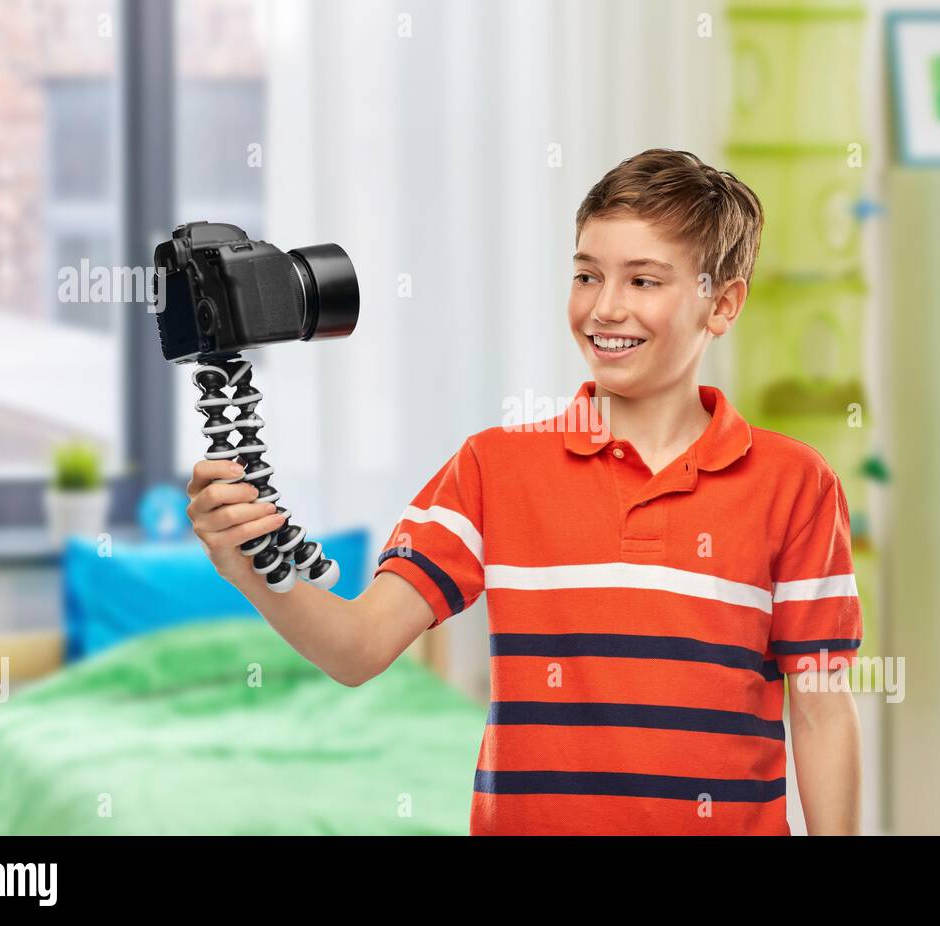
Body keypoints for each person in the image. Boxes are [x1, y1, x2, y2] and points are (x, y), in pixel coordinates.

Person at [186, 148, 863, 835]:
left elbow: (821, 708)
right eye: (587, 275)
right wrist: (244, 565)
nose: (605, 307)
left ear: (721, 304)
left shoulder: (794, 484)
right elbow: (358, 649)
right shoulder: (493, 467)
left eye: (643, 281)